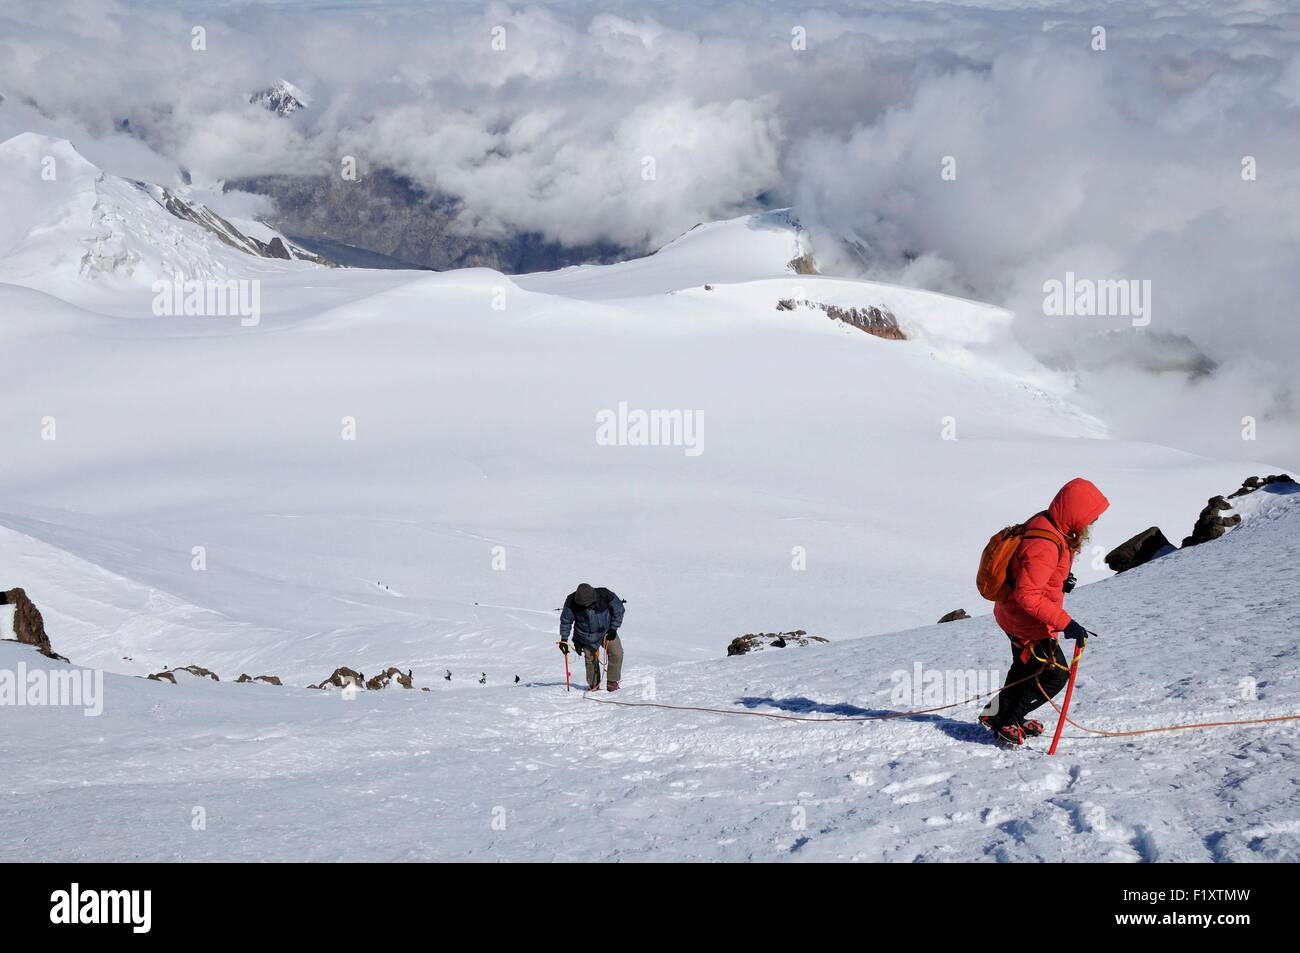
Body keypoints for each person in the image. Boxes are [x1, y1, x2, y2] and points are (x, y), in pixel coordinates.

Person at [980, 478, 1109, 746]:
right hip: (1027, 622)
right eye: (1090, 518)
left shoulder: (1047, 523)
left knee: (1024, 669)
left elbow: (1032, 573)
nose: (1091, 524)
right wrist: (1067, 623)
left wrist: (1060, 582)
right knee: (1054, 675)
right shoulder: (1046, 543)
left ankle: (995, 714)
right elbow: (1028, 594)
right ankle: (1008, 720)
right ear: (1075, 513)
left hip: (1013, 614)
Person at [558, 583, 625, 692]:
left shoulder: (605, 595)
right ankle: (594, 685)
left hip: (606, 631)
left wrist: (613, 628)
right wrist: (564, 640)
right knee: (590, 660)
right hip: (585, 635)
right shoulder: (571, 601)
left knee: (617, 653)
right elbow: (566, 621)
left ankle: (612, 682)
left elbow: (619, 610)